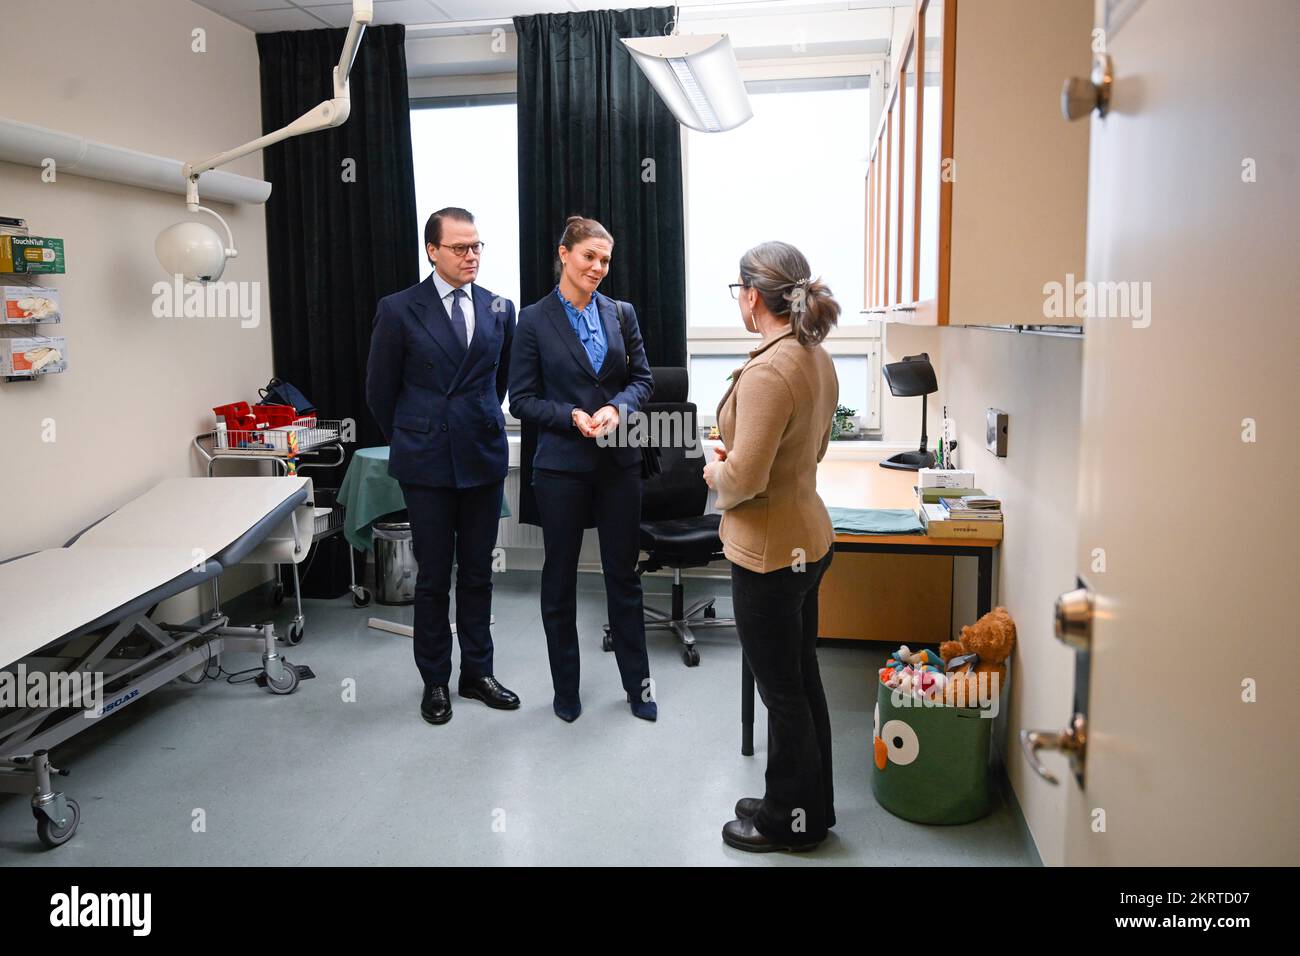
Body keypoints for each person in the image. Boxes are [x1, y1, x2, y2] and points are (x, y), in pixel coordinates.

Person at [703, 241, 841, 852]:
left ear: (753, 296)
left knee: (782, 693)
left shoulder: (768, 371)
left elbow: (743, 481)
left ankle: (788, 823)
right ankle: (813, 805)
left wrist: (715, 471)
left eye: (738, 293)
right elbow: (810, 451)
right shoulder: (813, 355)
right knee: (801, 679)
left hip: (767, 557)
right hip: (807, 542)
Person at [366, 207, 520, 725]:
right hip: (426, 460)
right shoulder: (398, 308)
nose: (471, 255)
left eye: (477, 246)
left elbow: (497, 384)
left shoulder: (501, 308)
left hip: (481, 454)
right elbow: (380, 392)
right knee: (433, 576)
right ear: (432, 251)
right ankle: (435, 681)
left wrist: (470, 421)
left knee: (478, 573)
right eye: (460, 247)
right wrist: (415, 435)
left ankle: (477, 673)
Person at [508, 216, 657, 723]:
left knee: (624, 576)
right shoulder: (532, 320)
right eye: (590, 256)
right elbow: (521, 400)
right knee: (560, 579)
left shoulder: (622, 313)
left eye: (605, 260)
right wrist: (569, 416)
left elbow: (643, 380)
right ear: (564, 253)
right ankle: (566, 691)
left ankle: (638, 687)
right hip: (562, 468)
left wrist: (618, 407)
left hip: (619, 462)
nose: (598, 267)